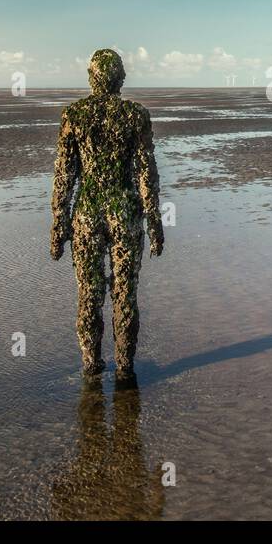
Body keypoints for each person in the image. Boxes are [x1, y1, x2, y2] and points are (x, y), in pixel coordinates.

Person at [51, 49, 164, 382]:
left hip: (86, 214)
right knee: (125, 294)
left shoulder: (74, 115)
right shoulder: (136, 115)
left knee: (89, 294)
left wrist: (58, 226)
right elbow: (147, 172)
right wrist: (154, 222)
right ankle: (125, 369)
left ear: (91, 77)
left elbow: (64, 176)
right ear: (121, 79)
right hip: (125, 213)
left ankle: (91, 367)